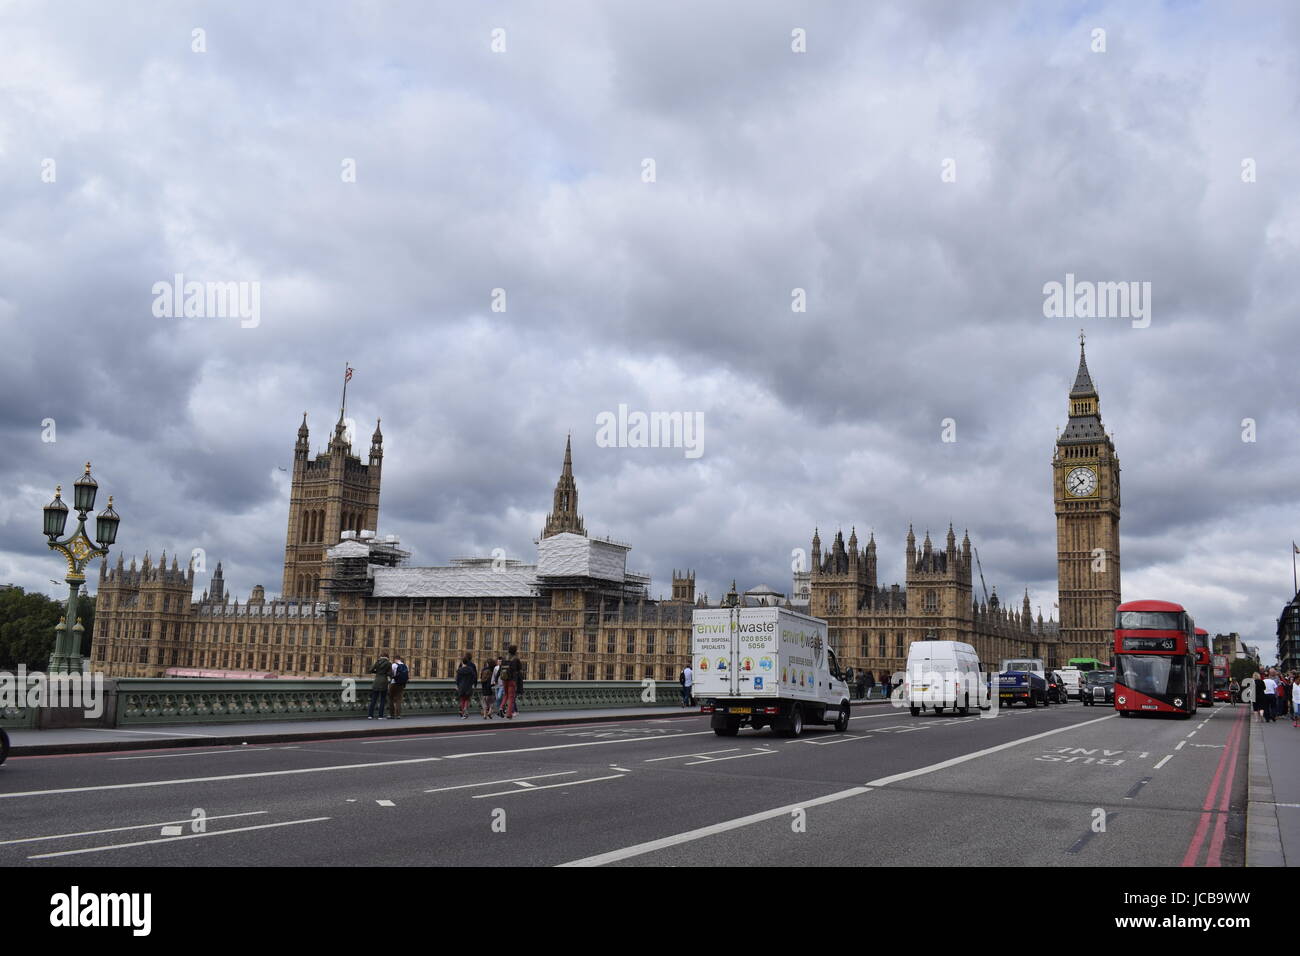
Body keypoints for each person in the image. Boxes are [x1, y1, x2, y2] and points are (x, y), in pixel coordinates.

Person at [368, 652, 391, 719]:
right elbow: (390, 674)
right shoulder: (388, 663)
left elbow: (370, 670)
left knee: (373, 699)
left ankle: (370, 715)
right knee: (382, 700)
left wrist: (377, 672)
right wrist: (385, 673)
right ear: (387, 657)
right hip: (384, 681)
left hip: (376, 681)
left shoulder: (377, 662)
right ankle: (380, 716)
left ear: (381, 656)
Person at [501, 644, 523, 718]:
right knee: (511, 697)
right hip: (512, 680)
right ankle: (509, 714)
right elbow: (519, 668)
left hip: (504, 679)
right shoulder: (516, 659)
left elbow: (500, 669)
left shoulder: (504, 658)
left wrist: (495, 679)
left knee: (505, 695)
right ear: (515, 651)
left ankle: (501, 707)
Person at [455, 653, 477, 719]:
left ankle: (461, 710)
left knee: (462, 699)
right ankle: (465, 709)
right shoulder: (471, 669)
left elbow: (457, 679)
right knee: (467, 699)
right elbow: (474, 677)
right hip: (468, 686)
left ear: (463, 662)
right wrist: (473, 684)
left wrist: (457, 685)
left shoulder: (459, 670)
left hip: (461, 686)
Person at [389, 655, 409, 719]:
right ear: (400, 659)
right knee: (399, 699)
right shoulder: (405, 666)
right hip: (401, 684)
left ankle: (392, 715)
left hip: (394, 683)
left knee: (391, 698)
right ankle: (398, 715)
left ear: (395, 659)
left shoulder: (394, 665)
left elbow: (391, 674)